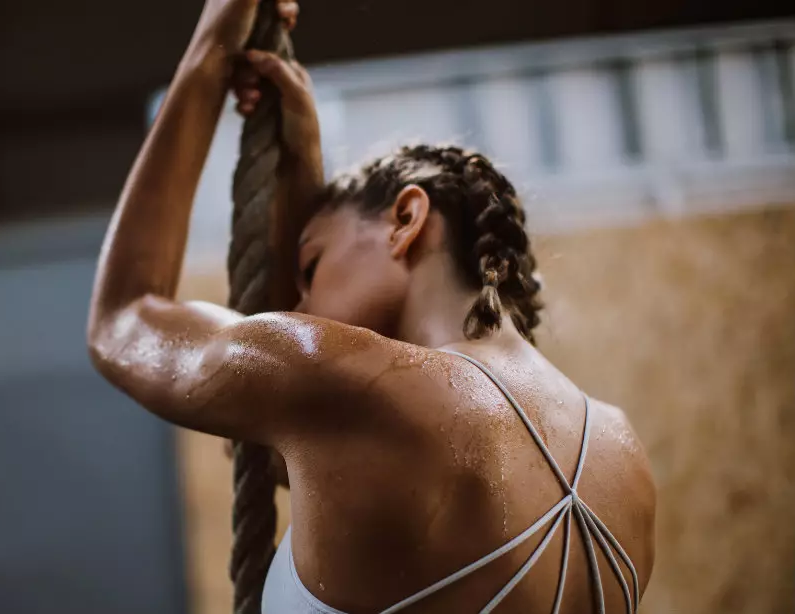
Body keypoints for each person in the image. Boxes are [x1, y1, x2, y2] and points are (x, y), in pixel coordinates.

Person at [86, 0, 656, 611]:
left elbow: (123, 318)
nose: (300, 302)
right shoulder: (623, 458)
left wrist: (207, 53)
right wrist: (303, 169)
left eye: (310, 267)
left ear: (406, 220)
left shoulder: (351, 391)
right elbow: (282, 455)